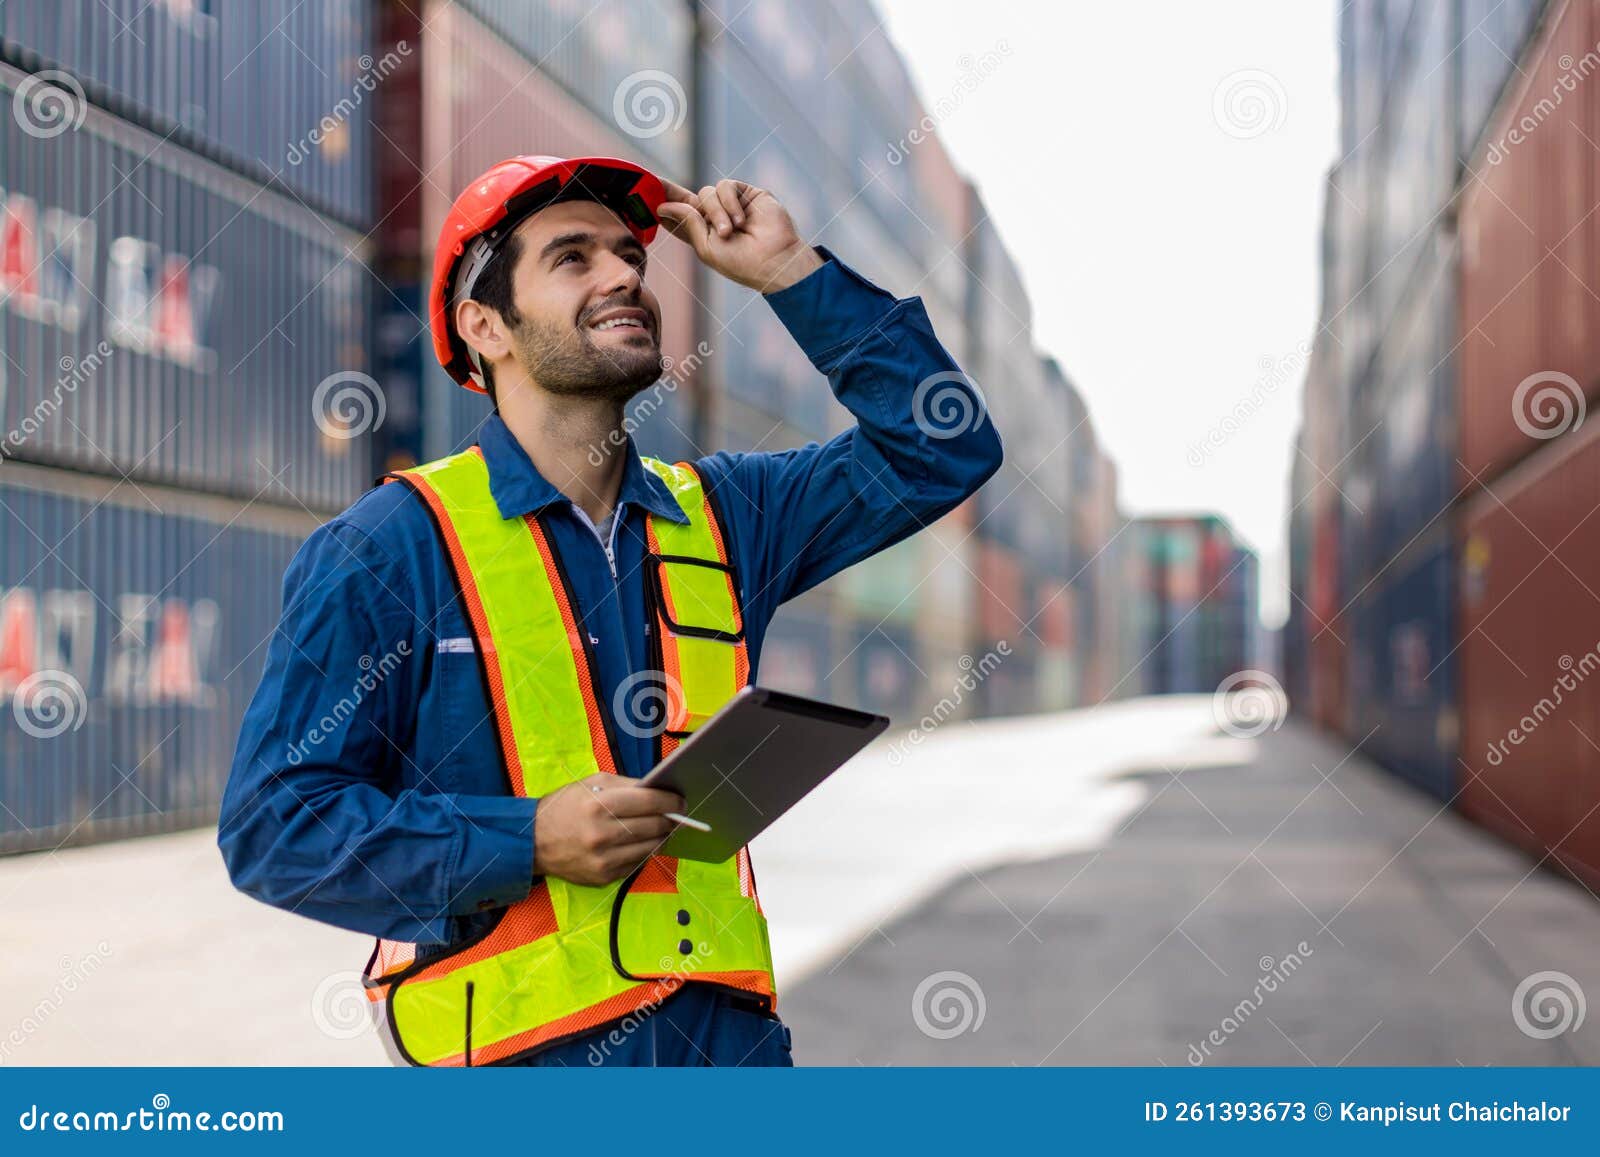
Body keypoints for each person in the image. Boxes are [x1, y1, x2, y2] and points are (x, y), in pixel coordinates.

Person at [219, 155, 1002, 1067]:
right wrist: (527, 838)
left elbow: (942, 446)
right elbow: (275, 825)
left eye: (628, 254)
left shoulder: (728, 517)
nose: (625, 273)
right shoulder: (390, 548)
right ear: (485, 325)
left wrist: (792, 275)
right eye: (573, 258)